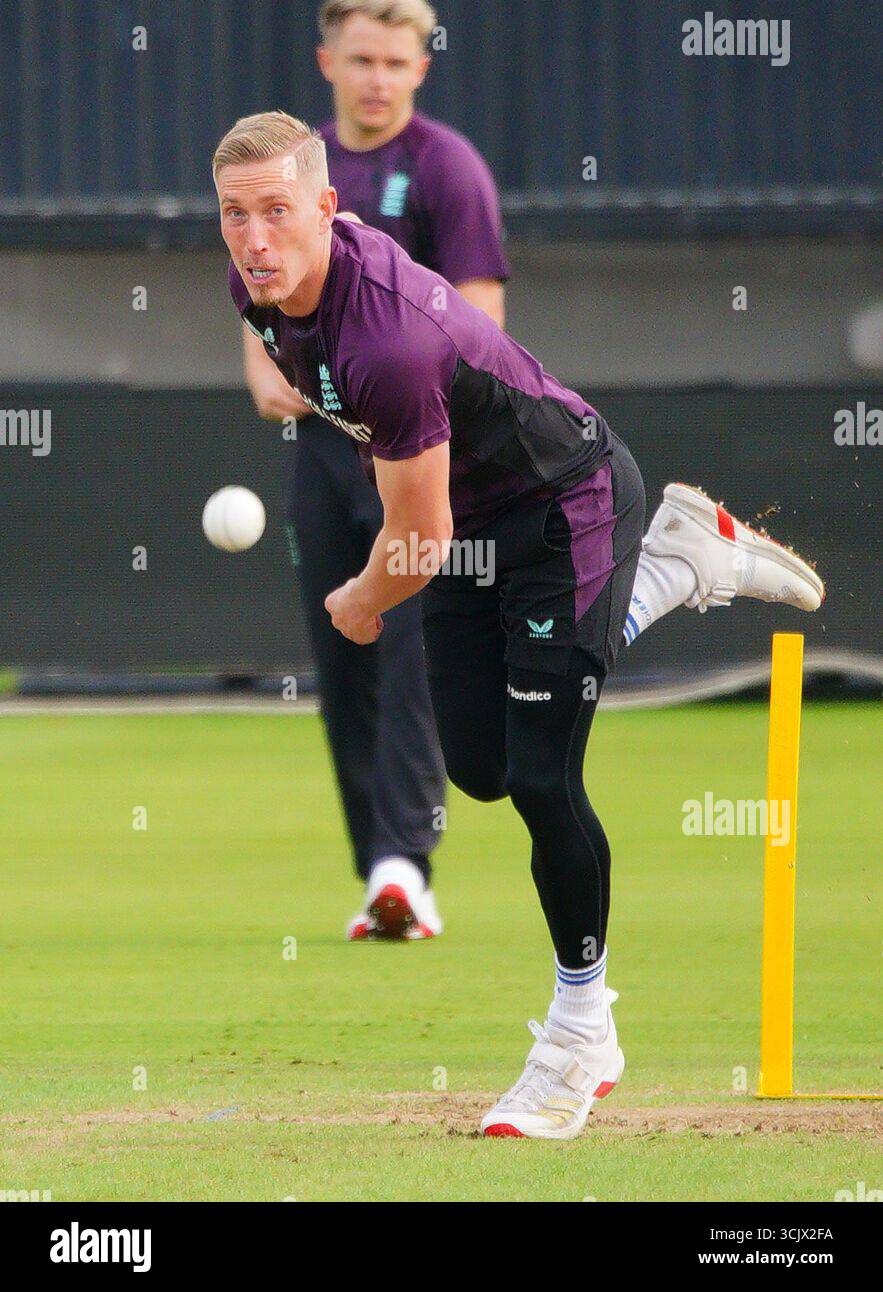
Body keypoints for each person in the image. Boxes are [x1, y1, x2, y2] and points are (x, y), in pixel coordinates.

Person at [214, 113, 824, 1140]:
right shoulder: (260, 286)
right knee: (481, 770)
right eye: (235, 215)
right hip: (476, 515)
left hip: (560, 500)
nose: (256, 238)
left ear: (328, 208)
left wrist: (360, 600)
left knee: (543, 778)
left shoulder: (389, 342)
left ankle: (580, 1034)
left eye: (278, 211)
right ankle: (680, 562)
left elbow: (415, 535)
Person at [242, 0, 509, 942]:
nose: (377, 79)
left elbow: (482, 330)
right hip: (321, 456)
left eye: (397, 62)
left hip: (415, 451)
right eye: (360, 59)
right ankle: (380, 874)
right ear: (328, 63)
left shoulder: (448, 170)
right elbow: (257, 294)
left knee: (410, 650)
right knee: (338, 649)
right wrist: (264, 374)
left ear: (421, 67)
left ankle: (407, 860)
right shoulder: (291, 170)